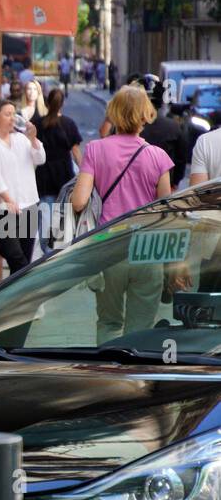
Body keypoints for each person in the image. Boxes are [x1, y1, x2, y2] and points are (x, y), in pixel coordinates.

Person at [71, 85, 179, 344]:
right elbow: (165, 212)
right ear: (145, 116)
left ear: (114, 114)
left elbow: (78, 202)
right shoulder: (157, 156)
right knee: (141, 327)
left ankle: (109, 373)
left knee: (108, 321)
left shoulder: (95, 150)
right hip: (148, 249)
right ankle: (136, 378)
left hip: (108, 247)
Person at [0, 97, 46, 273]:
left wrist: (34, 139)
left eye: (13, 114)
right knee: (16, 258)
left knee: (23, 259)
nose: (12, 118)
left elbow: (40, 158)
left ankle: (19, 299)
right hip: (4, 209)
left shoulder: (21, 138)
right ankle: (29, 292)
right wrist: (8, 199)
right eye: (7, 114)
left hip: (29, 204)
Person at [34, 87, 82, 248]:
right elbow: (76, 152)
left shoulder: (38, 124)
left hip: (43, 178)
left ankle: (46, 254)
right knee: (62, 224)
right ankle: (58, 256)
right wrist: (84, 174)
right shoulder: (69, 124)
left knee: (45, 223)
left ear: (47, 103)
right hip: (64, 179)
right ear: (62, 104)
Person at [141, 80, 190, 187]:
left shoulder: (130, 127)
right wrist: (175, 183)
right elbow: (181, 158)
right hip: (165, 185)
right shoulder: (173, 127)